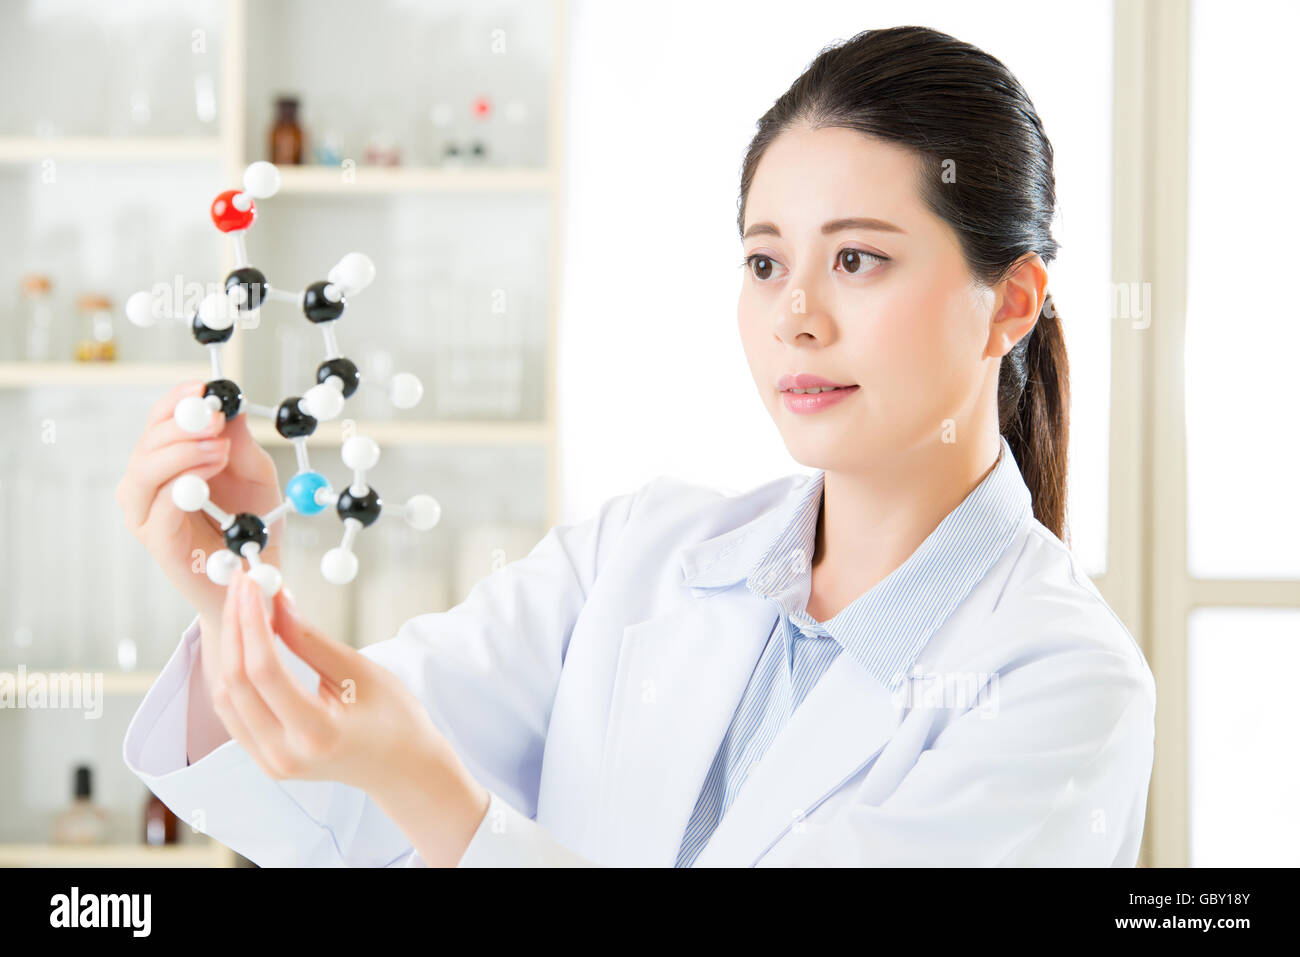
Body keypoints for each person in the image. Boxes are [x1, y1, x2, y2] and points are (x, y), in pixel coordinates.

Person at [117, 25, 1155, 867]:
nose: (794, 314)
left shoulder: (1062, 684)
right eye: (762, 261)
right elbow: (341, 803)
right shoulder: (641, 554)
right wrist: (234, 595)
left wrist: (438, 796)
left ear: (1009, 303)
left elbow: (414, 782)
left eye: (856, 259)